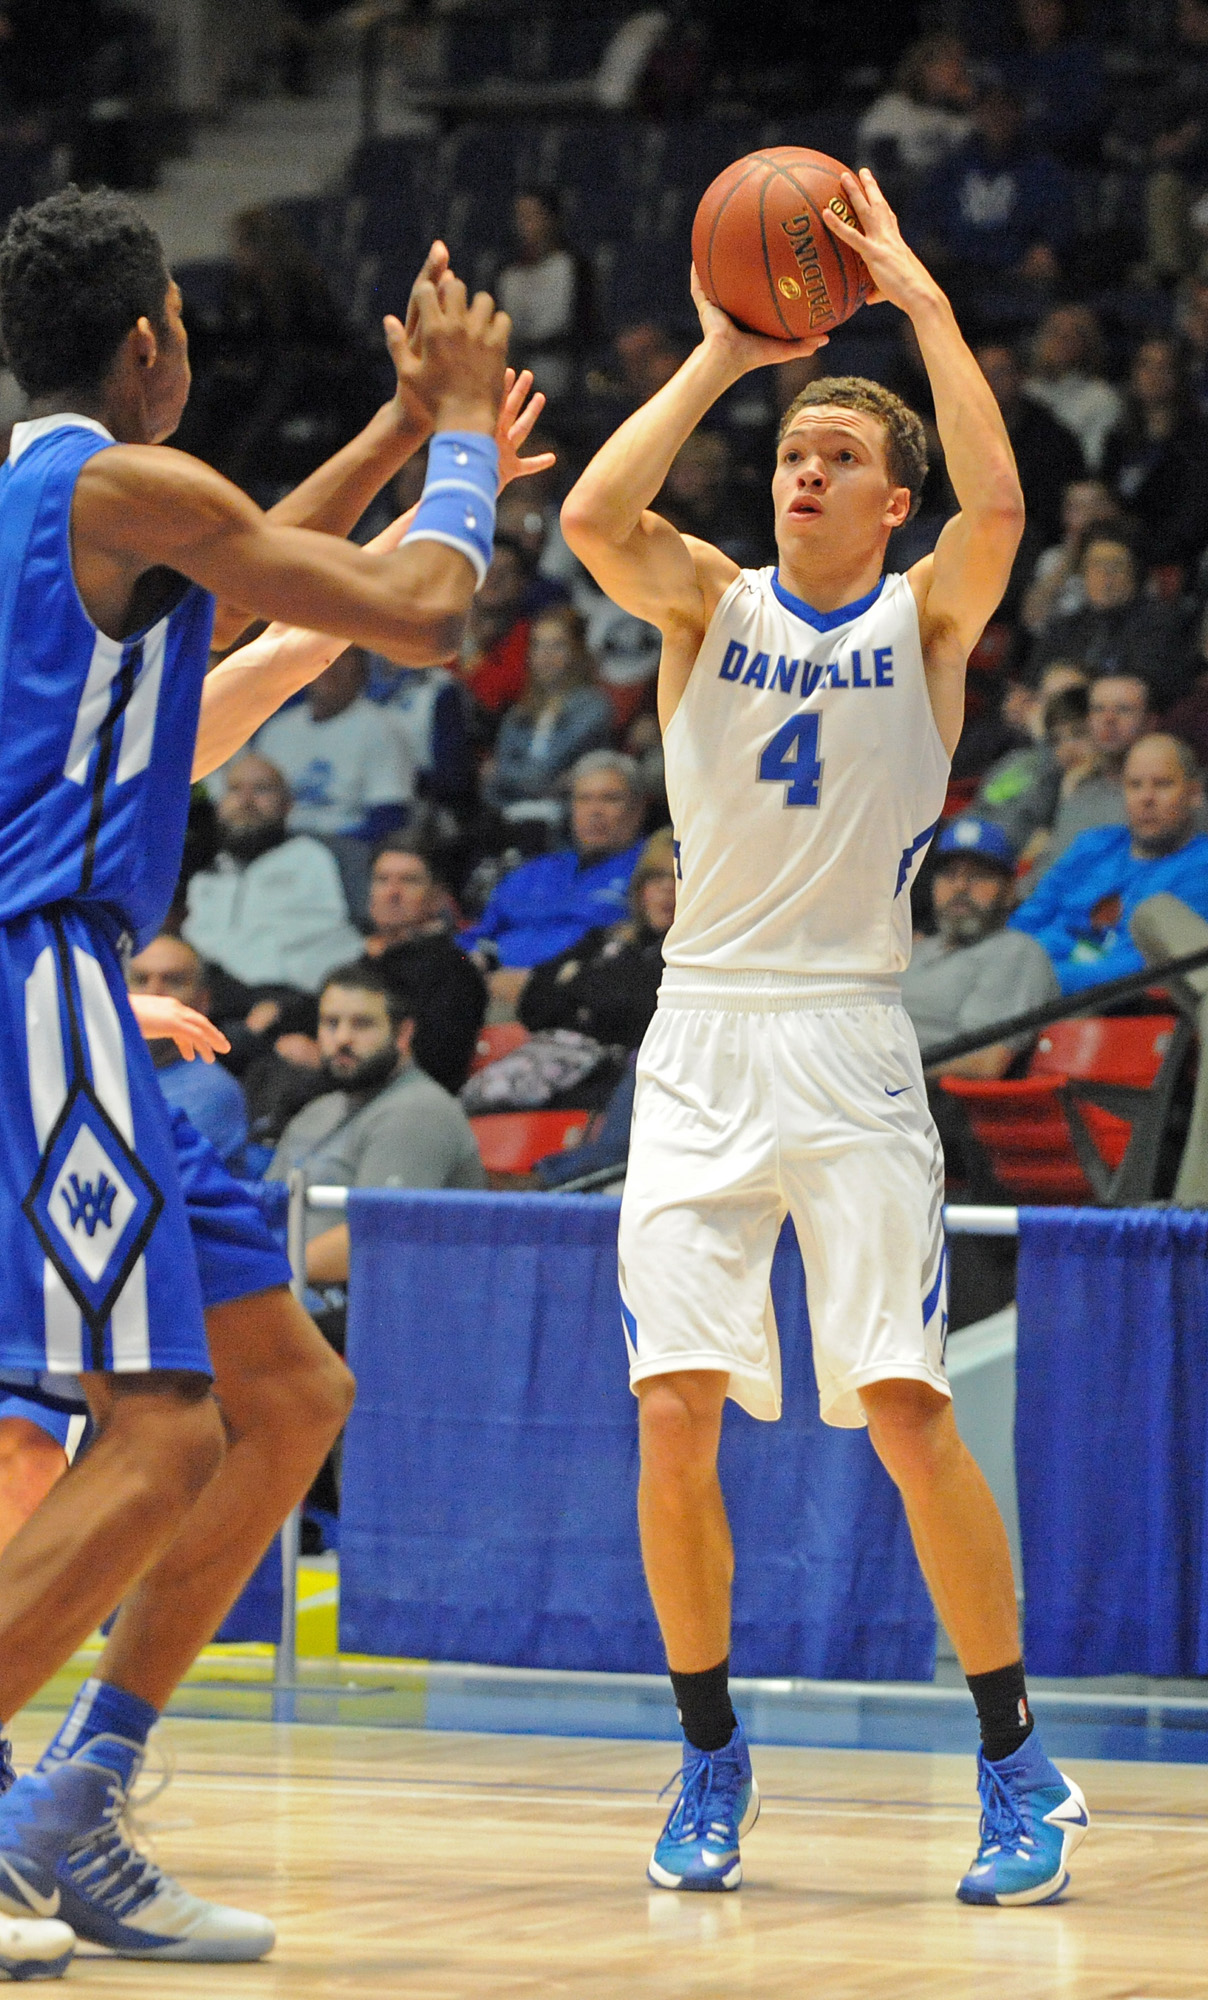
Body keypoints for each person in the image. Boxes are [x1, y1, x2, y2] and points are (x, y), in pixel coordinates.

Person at [561, 164, 1088, 1908]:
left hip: (849, 1039)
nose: (804, 469)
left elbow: (1003, 507)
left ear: (892, 492)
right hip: (700, 1035)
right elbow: (588, 520)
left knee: (903, 1406)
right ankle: (709, 1753)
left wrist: (921, 309)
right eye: (792, 451)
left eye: (838, 453)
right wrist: (723, 356)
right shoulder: (704, 597)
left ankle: (1017, 1766)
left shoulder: (925, 614)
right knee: (669, 1412)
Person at [0, 182, 509, 1970]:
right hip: (44, 969)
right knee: (155, 1435)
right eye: (187, 339)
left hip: (70, 981)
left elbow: (239, 573)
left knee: (285, 1395)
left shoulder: (73, 504)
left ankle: (72, 1804)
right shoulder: (117, 486)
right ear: (153, 345)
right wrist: (456, 449)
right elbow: (427, 615)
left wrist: (388, 423)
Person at [268, 960, 486, 1286]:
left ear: (403, 1033)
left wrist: (256, 1278)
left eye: (362, 1024)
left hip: (365, 1311)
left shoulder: (418, 1111)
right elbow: (263, 1209)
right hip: (291, 1300)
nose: (342, 1038)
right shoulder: (318, 1110)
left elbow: (375, 1238)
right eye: (331, 1023)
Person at [1011, 733, 1208, 992]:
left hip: (1112, 1007)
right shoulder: (1091, 845)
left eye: (1162, 784)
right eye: (1135, 785)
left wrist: (1033, 978)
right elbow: (1023, 925)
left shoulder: (1201, 866)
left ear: (1193, 793)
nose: (1146, 798)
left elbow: (1143, 968)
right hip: (1026, 990)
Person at [462, 750, 647, 1012]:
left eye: (610, 799)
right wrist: (470, 962)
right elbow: (473, 938)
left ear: (638, 809)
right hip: (487, 990)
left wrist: (540, 984)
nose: (595, 811)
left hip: (573, 999)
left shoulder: (651, 872)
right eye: (584, 799)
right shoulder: (535, 870)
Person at [184, 753, 365, 1002]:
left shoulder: (317, 857)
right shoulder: (206, 874)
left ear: (287, 804)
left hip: (301, 999)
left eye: (261, 789)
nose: (246, 801)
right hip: (217, 999)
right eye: (235, 789)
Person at [904, 818, 1059, 1077]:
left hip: (922, 1103)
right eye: (949, 874)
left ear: (1009, 889)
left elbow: (983, 1062)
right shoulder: (915, 950)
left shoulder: (1015, 953)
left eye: (978, 876)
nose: (960, 886)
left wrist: (874, 1067)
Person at [517, 825, 675, 1050]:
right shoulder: (606, 937)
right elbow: (531, 1004)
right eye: (657, 877)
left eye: (679, 878)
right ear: (640, 886)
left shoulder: (694, 957)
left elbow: (637, 1018)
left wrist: (574, 975)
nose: (667, 889)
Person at [249, 644, 418, 841]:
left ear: (361, 671)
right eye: (322, 657)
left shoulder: (383, 729)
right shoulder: (276, 730)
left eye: (342, 658)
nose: (330, 666)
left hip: (348, 849)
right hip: (276, 846)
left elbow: (389, 818)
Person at [126, 933, 250, 1171]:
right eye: (140, 980)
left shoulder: (213, 1092)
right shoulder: (88, 1065)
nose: (154, 993)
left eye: (173, 981)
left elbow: (154, 1181)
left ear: (202, 1002)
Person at [483, 606, 615, 825]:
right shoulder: (517, 714)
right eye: (538, 645)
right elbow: (491, 789)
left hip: (569, 822)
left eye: (557, 646)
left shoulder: (593, 707)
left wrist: (502, 773)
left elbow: (540, 775)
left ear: (576, 652)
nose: (546, 655)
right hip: (513, 819)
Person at [1028, 536, 1194, 709]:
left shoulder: (1161, 623)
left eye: (1116, 566)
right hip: (1062, 722)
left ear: (1135, 573)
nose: (1105, 576)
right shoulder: (1064, 625)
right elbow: (1033, 680)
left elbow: (1152, 688)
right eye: (1095, 565)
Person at [1099, 335, 1208, 576]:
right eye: (1145, 365)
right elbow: (1106, 496)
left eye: (1163, 367)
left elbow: (1191, 517)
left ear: (1179, 376)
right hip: (1116, 551)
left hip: (1173, 558)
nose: (1153, 375)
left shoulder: (1197, 443)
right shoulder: (1118, 440)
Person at [1037, 671, 1154, 872]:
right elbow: (1050, 869)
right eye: (1098, 709)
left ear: (1150, 721)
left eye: (1123, 709)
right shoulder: (1079, 787)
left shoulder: (1172, 793)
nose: (1109, 718)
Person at [974, 340, 1085, 546]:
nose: (989, 382)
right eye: (982, 374)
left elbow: (1050, 509)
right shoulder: (962, 425)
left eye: (999, 373)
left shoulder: (1051, 436)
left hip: (1032, 533)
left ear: (1020, 377)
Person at [495, 189, 590, 402]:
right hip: (515, 368)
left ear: (551, 219)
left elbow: (583, 327)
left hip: (561, 372)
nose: (525, 224)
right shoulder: (508, 271)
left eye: (533, 216)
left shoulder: (572, 266)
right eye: (521, 217)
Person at [1024, 306, 1123, 472]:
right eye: (1054, 333)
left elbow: (1093, 460)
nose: (1060, 341)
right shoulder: (1025, 392)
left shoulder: (1102, 398)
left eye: (1071, 336)